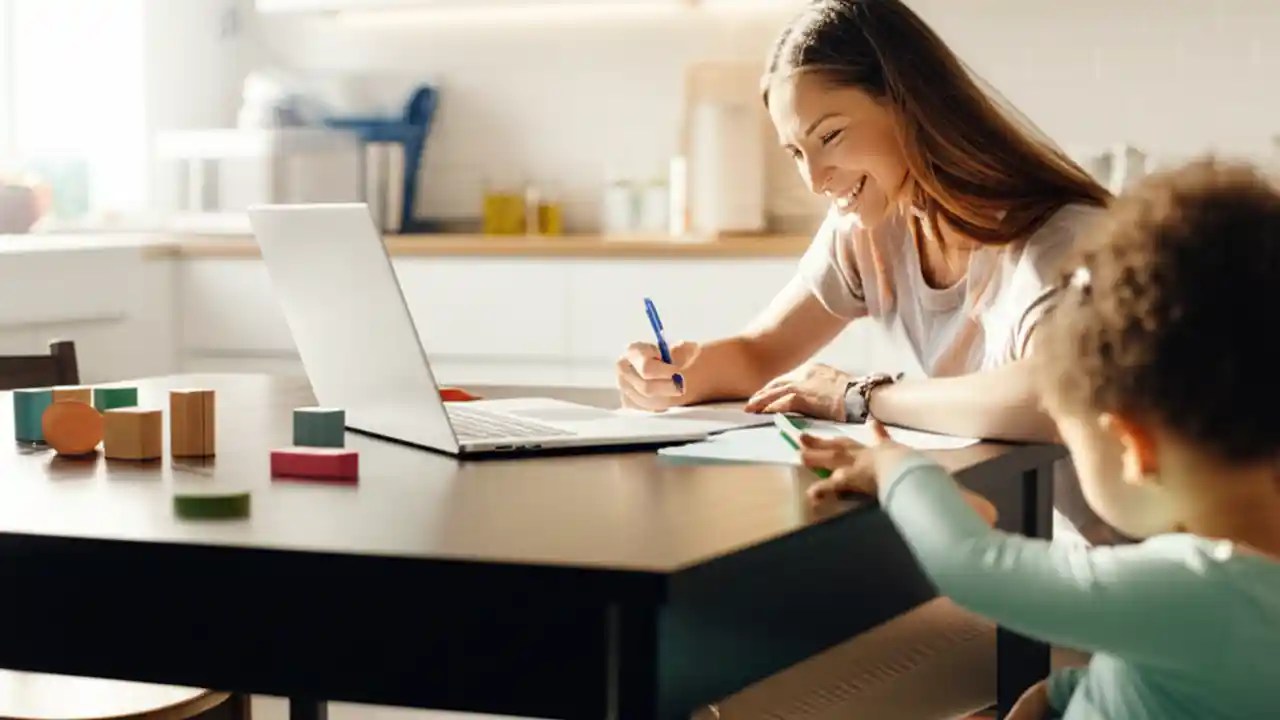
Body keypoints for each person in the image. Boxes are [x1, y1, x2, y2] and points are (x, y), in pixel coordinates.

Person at [800, 158, 1280, 719]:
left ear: (1135, 444)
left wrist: (896, 467)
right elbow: (1194, 684)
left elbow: (974, 565)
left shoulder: (1191, 588)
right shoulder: (1239, 598)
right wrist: (1067, 694)